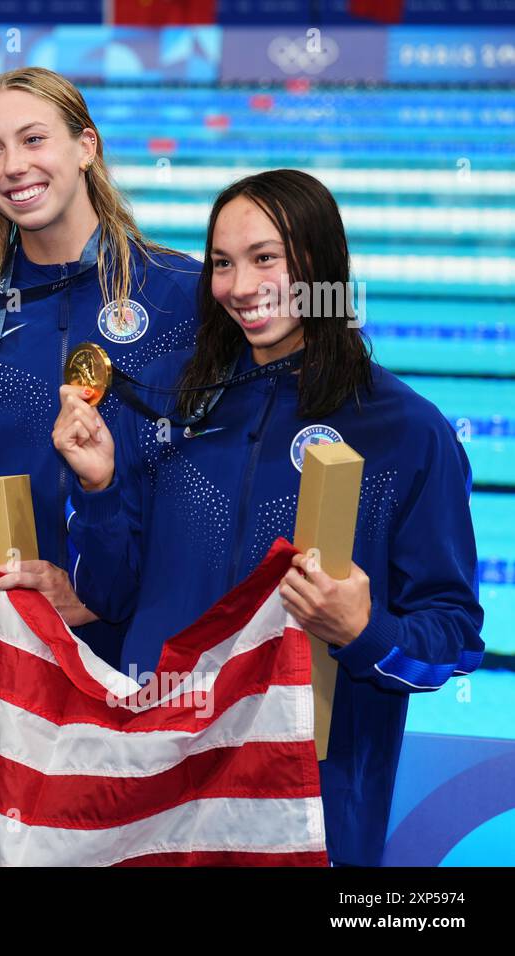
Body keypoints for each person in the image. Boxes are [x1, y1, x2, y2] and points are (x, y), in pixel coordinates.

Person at [55, 168, 485, 866]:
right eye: (223, 263)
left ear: (318, 263)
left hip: (302, 798)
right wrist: (101, 488)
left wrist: (364, 631)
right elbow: (108, 595)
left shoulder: (404, 432)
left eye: (265, 259)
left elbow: (454, 637)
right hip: (157, 774)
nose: (240, 286)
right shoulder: (169, 399)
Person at [0, 67, 199, 664]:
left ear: (86, 147)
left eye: (33, 139)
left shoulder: (181, 296)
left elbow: (206, 496)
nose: (12, 166)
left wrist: (101, 593)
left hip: (126, 648)